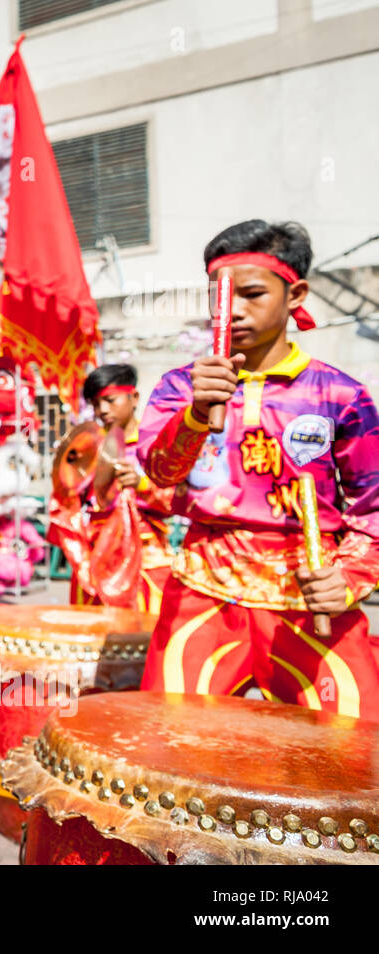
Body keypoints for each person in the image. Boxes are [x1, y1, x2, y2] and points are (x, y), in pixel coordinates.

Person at [136, 219, 379, 718]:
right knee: (170, 744)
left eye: (251, 293)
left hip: (309, 595)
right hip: (203, 588)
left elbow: (372, 508)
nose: (234, 311)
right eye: (219, 296)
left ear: (296, 294)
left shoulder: (340, 395)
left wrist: (348, 577)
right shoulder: (182, 387)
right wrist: (197, 414)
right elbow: (159, 473)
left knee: (354, 750)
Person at [57, 364, 179, 613]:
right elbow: (64, 506)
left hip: (147, 561)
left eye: (110, 401)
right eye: (95, 404)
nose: (102, 410)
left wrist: (142, 485)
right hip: (96, 561)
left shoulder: (156, 444)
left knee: (145, 641)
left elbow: (179, 500)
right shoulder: (85, 449)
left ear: (134, 397)